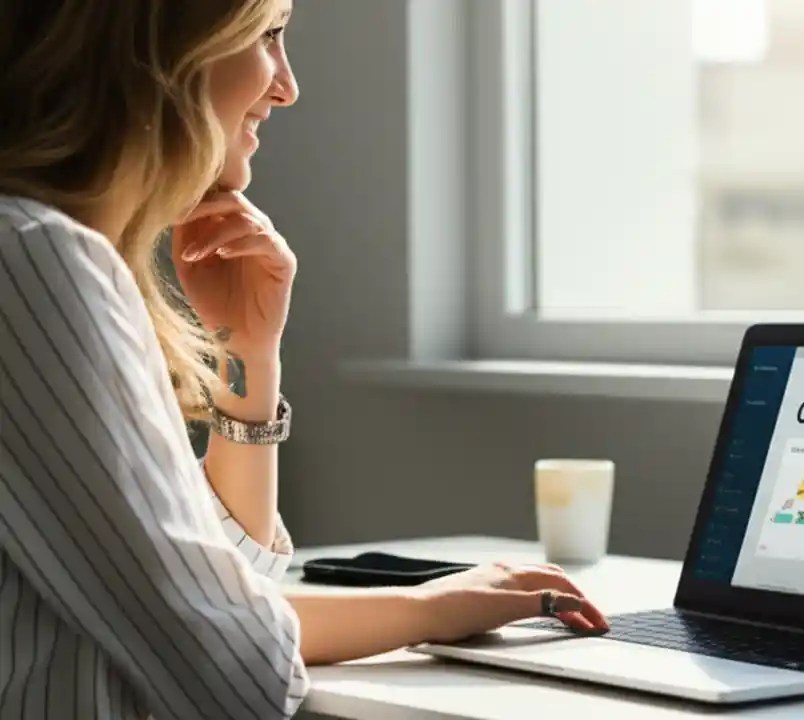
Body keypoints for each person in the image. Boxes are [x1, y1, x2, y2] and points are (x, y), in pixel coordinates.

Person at [0, 2, 608, 717]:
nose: (286, 86)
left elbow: (231, 589)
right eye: (268, 33)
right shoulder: (31, 259)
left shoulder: (42, 257)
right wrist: (430, 609)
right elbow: (232, 668)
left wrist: (247, 357)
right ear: (162, 43)